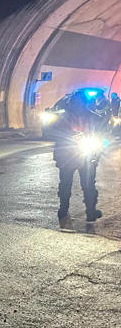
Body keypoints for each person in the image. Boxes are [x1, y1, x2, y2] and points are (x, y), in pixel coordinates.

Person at [52, 90, 110, 230]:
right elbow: (54, 132)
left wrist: (99, 147)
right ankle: (82, 211)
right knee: (85, 184)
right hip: (70, 154)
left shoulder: (91, 117)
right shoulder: (65, 118)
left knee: (73, 183)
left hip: (79, 154)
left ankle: (75, 211)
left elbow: (101, 134)